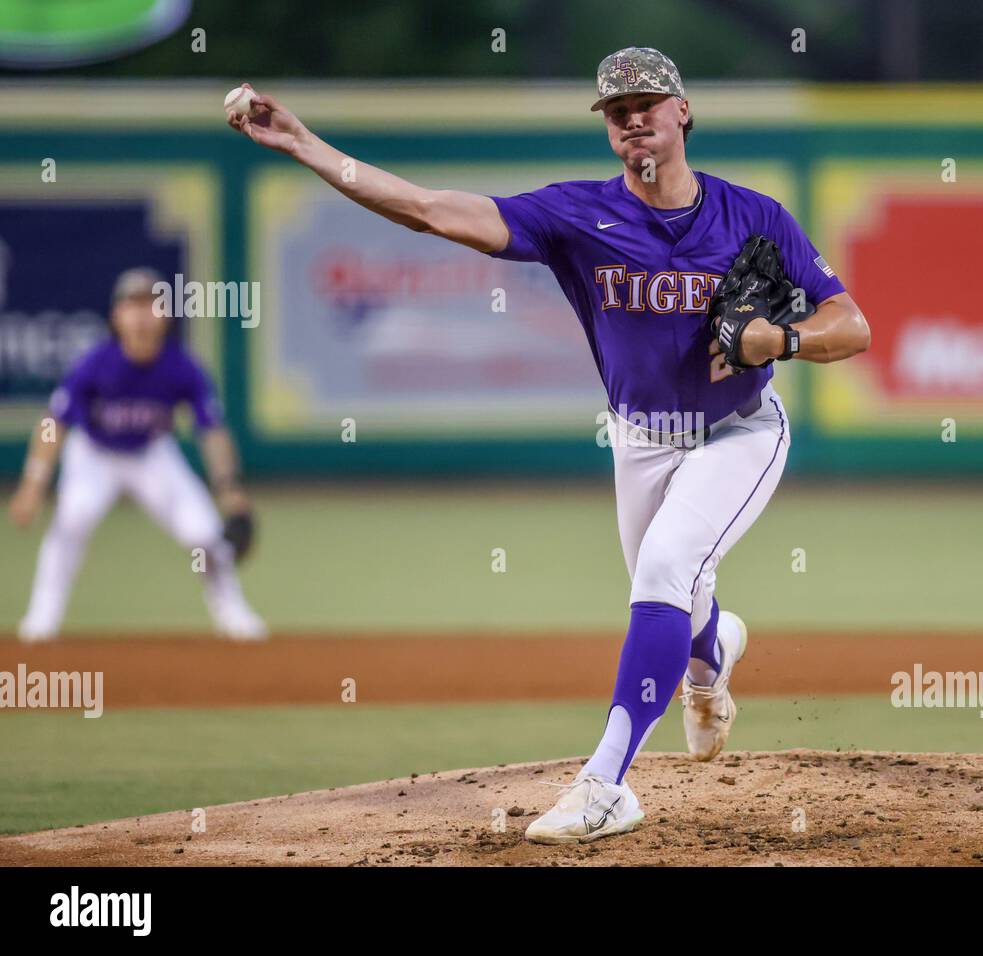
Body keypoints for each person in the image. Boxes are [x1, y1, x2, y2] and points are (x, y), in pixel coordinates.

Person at [227, 46, 869, 843]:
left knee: (667, 567)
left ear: (683, 111)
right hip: (638, 438)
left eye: (646, 102)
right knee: (679, 587)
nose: (632, 117)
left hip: (740, 432)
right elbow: (430, 209)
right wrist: (305, 145)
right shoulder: (577, 216)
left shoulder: (753, 216)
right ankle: (710, 659)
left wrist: (783, 338)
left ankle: (606, 783)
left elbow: (853, 325)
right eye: (615, 110)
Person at [8, 268, 267, 641]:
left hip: (151, 454)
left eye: (153, 304)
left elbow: (211, 430)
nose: (143, 314)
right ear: (117, 317)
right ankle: (42, 619)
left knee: (204, 533)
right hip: (94, 454)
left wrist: (229, 488)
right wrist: (34, 482)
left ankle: (233, 614)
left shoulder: (182, 367)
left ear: (167, 316)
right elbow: (54, 423)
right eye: (133, 304)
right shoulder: (96, 363)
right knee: (72, 521)